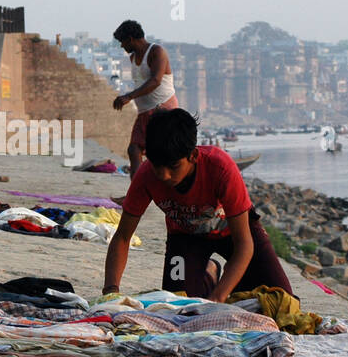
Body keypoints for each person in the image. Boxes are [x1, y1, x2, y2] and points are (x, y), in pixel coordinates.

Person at [104, 109, 292, 301]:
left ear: (193, 156)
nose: (164, 175)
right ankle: (209, 273)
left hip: (232, 233)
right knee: (178, 303)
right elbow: (122, 237)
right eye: (156, 165)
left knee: (282, 299)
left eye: (173, 166)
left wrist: (217, 298)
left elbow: (244, 244)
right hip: (185, 237)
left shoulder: (220, 168)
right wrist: (110, 291)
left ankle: (222, 279)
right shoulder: (146, 176)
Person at [111, 20, 177, 179]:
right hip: (144, 112)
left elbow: (156, 80)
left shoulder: (156, 52)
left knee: (164, 154)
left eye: (122, 42)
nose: (122, 46)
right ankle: (135, 194)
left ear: (131, 39)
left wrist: (128, 96)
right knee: (134, 150)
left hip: (163, 110)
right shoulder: (133, 57)